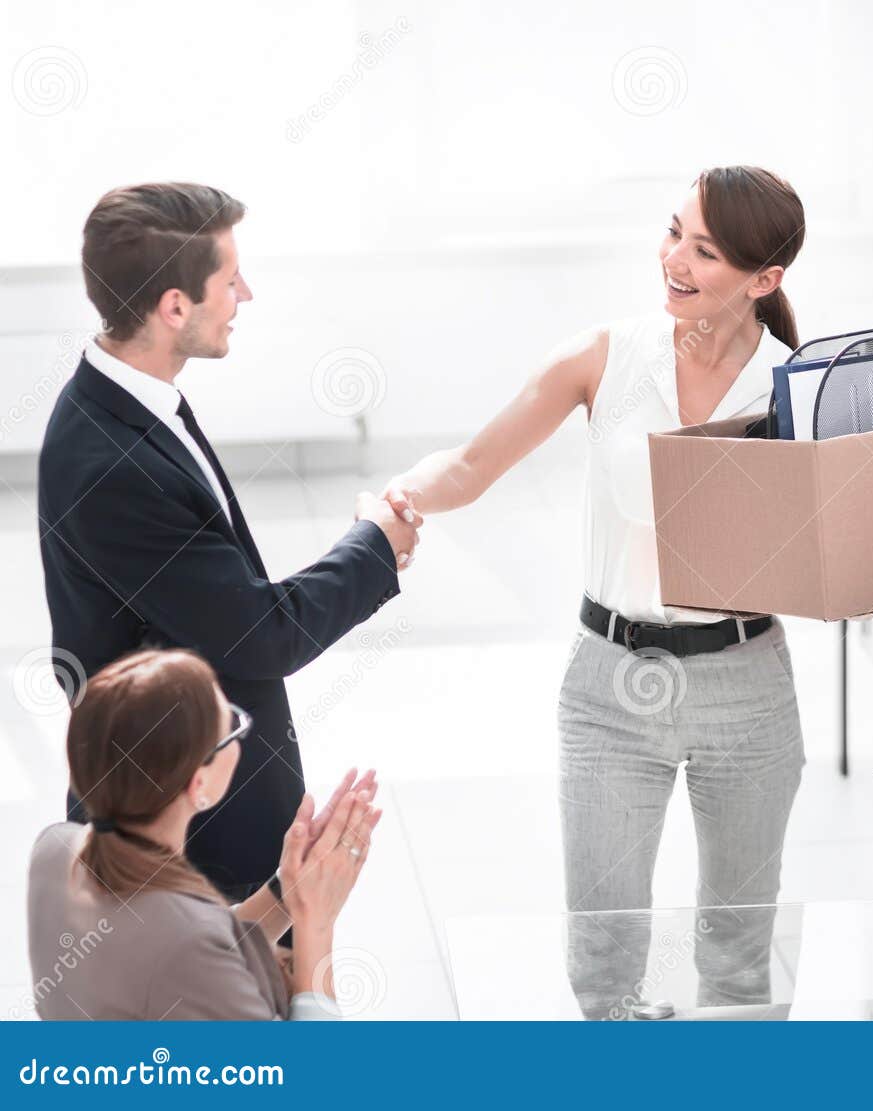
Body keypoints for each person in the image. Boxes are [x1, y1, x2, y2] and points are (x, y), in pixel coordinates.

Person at [380, 166, 806, 1017]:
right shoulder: (604, 357)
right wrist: (390, 504)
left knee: (738, 958)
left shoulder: (798, 384)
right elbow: (470, 465)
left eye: (705, 251)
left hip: (748, 684)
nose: (673, 258)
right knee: (604, 961)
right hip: (612, 684)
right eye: (673, 231)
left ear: (765, 281)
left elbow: (835, 544)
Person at [37, 183, 417, 901]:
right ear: (174, 306)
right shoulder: (111, 466)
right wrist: (378, 545)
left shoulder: (129, 400)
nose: (247, 292)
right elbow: (262, 633)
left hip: (209, 807)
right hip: (185, 846)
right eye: (229, 279)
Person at [27, 649, 381, 1020]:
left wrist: (286, 890)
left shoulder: (53, 848)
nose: (239, 732)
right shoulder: (186, 943)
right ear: (199, 782)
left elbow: (197, 951)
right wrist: (317, 922)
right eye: (230, 725)